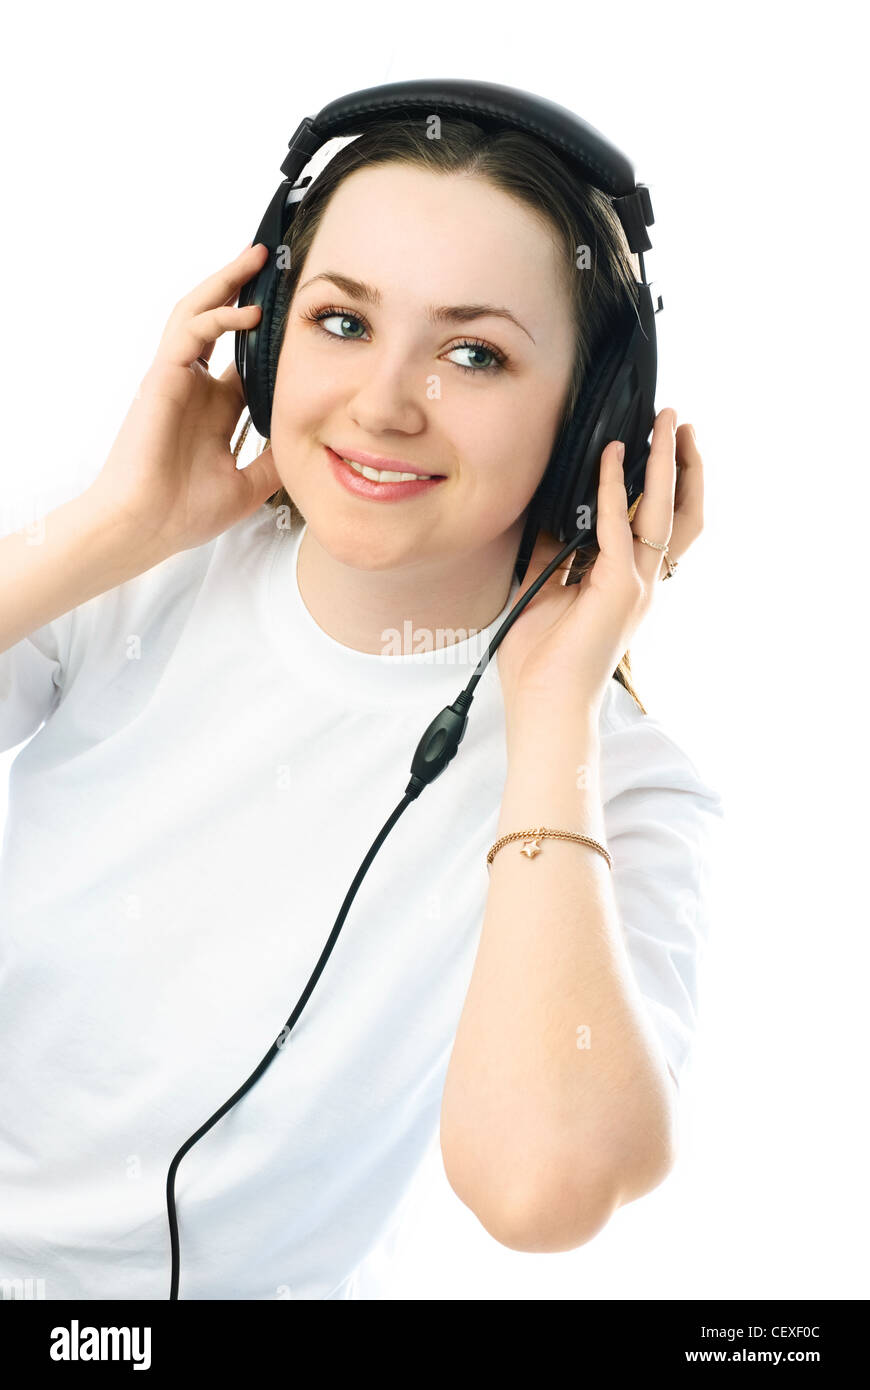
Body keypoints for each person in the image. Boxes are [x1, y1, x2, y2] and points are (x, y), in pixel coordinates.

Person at [0, 117, 723, 1301]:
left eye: (476, 355)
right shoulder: (119, 555)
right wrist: (110, 534)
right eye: (342, 322)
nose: (385, 402)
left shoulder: (614, 785)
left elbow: (538, 1192)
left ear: (595, 423)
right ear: (270, 337)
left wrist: (551, 720)